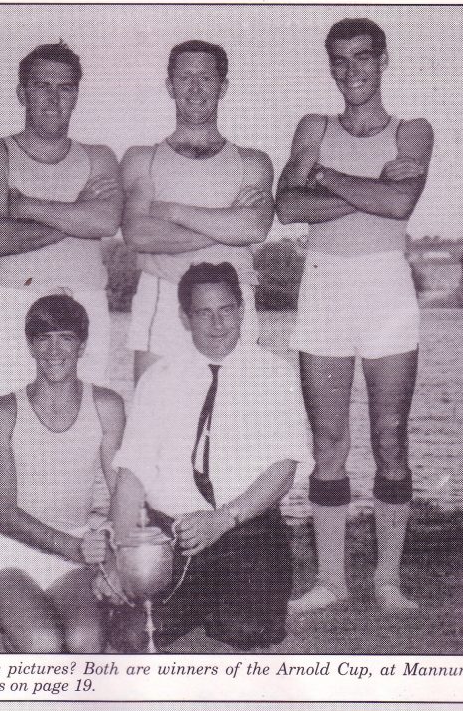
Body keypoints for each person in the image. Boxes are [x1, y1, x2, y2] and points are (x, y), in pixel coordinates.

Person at [275, 18, 434, 613]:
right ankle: (331, 581)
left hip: (385, 283)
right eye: (339, 60)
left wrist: (328, 181)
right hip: (324, 284)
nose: (350, 71)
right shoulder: (312, 127)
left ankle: (387, 580)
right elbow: (288, 207)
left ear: (383, 59)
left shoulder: (412, 131)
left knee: (390, 438)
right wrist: (362, 190)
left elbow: (399, 203)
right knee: (329, 442)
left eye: (361, 58)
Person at [94, 263, 311, 651]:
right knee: (129, 637)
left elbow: (283, 469)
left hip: (246, 528)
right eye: (203, 313)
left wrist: (222, 519)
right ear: (184, 317)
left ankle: (210, 602)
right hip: (172, 535)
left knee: (248, 633)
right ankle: (190, 599)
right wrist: (119, 554)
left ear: (242, 310)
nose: (216, 324)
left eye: (226, 309)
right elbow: (132, 476)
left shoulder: (276, 376)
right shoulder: (157, 380)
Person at [0, 42, 123, 398]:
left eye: (65, 88)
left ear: (76, 95)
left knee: (87, 426)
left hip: (85, 299)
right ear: (22, 93)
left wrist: (24, 205)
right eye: (42, 86)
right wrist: (74, 214)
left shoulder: (99, 157)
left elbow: (105, 222)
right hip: (8, 299)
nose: (54, 99)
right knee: (3, 422)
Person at [0, 295, 125, 652]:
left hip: (73, 555)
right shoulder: (1, 410)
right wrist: (76, 548)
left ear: (82, 345)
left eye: (66, 337)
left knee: (86, 642)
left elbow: (123, 492)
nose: (54, 350)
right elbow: (3, 515)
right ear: (30, 345)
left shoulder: (106, 405)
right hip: (11, 552)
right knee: (44, 644)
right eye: (43, 338)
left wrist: (111, 553)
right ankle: (8, 619)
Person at [122, 40, 274, 381]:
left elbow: (254, 229)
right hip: (161, 296)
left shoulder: (252, 162)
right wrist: (224, 222)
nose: (194, 87)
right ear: (169, 85)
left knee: (234, 419)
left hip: (232, 302)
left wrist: (172, 211)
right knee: (156, 416)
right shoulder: (141, 158)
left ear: (223, 87)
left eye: (205, 77)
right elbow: (137, 234)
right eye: (185, 76)